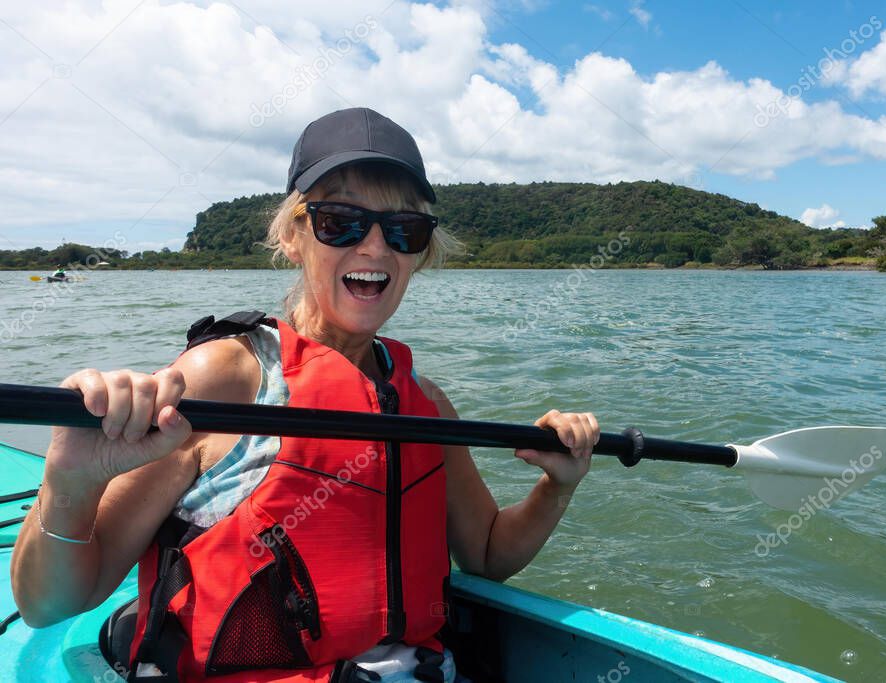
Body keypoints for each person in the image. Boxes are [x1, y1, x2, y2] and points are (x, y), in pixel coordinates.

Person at [11, 108, 599, 682]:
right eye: (340, 221)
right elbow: (50, 605)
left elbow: (488, 555)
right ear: (294, 236)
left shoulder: (425, 402)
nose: (374, 247)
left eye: (403, 230)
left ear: (420, 253)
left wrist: (557, 487)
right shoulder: (225, 376)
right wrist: (72, 483)